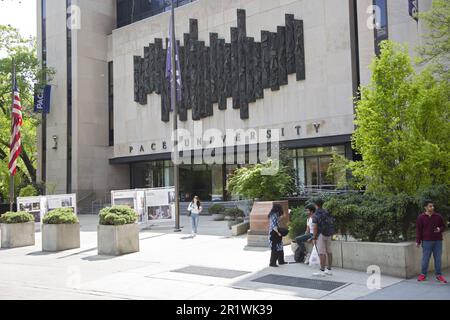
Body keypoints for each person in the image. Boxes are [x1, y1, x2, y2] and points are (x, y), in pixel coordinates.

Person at [416, 200, 447, 283]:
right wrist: (418, 241)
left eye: (433, 206)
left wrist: (439, 229)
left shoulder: (438, 216)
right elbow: (419, 230)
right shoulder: (421, 217)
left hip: (438, 241)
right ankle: (423, 275)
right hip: (426, 241)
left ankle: (439, 275)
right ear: (425, 207)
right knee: (425, 259)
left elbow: (443, 226)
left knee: (438, 259)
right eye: (430, 206)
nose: (432, 207)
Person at [311, 198, 334, 277]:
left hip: (321, 234)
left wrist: (314, 237)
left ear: (315, 205)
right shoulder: (326, 212)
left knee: (322, 253)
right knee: (329, 251)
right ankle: (329, 269)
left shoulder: (315, 214)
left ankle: (322, 271)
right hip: (329, 233)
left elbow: (315, 227)